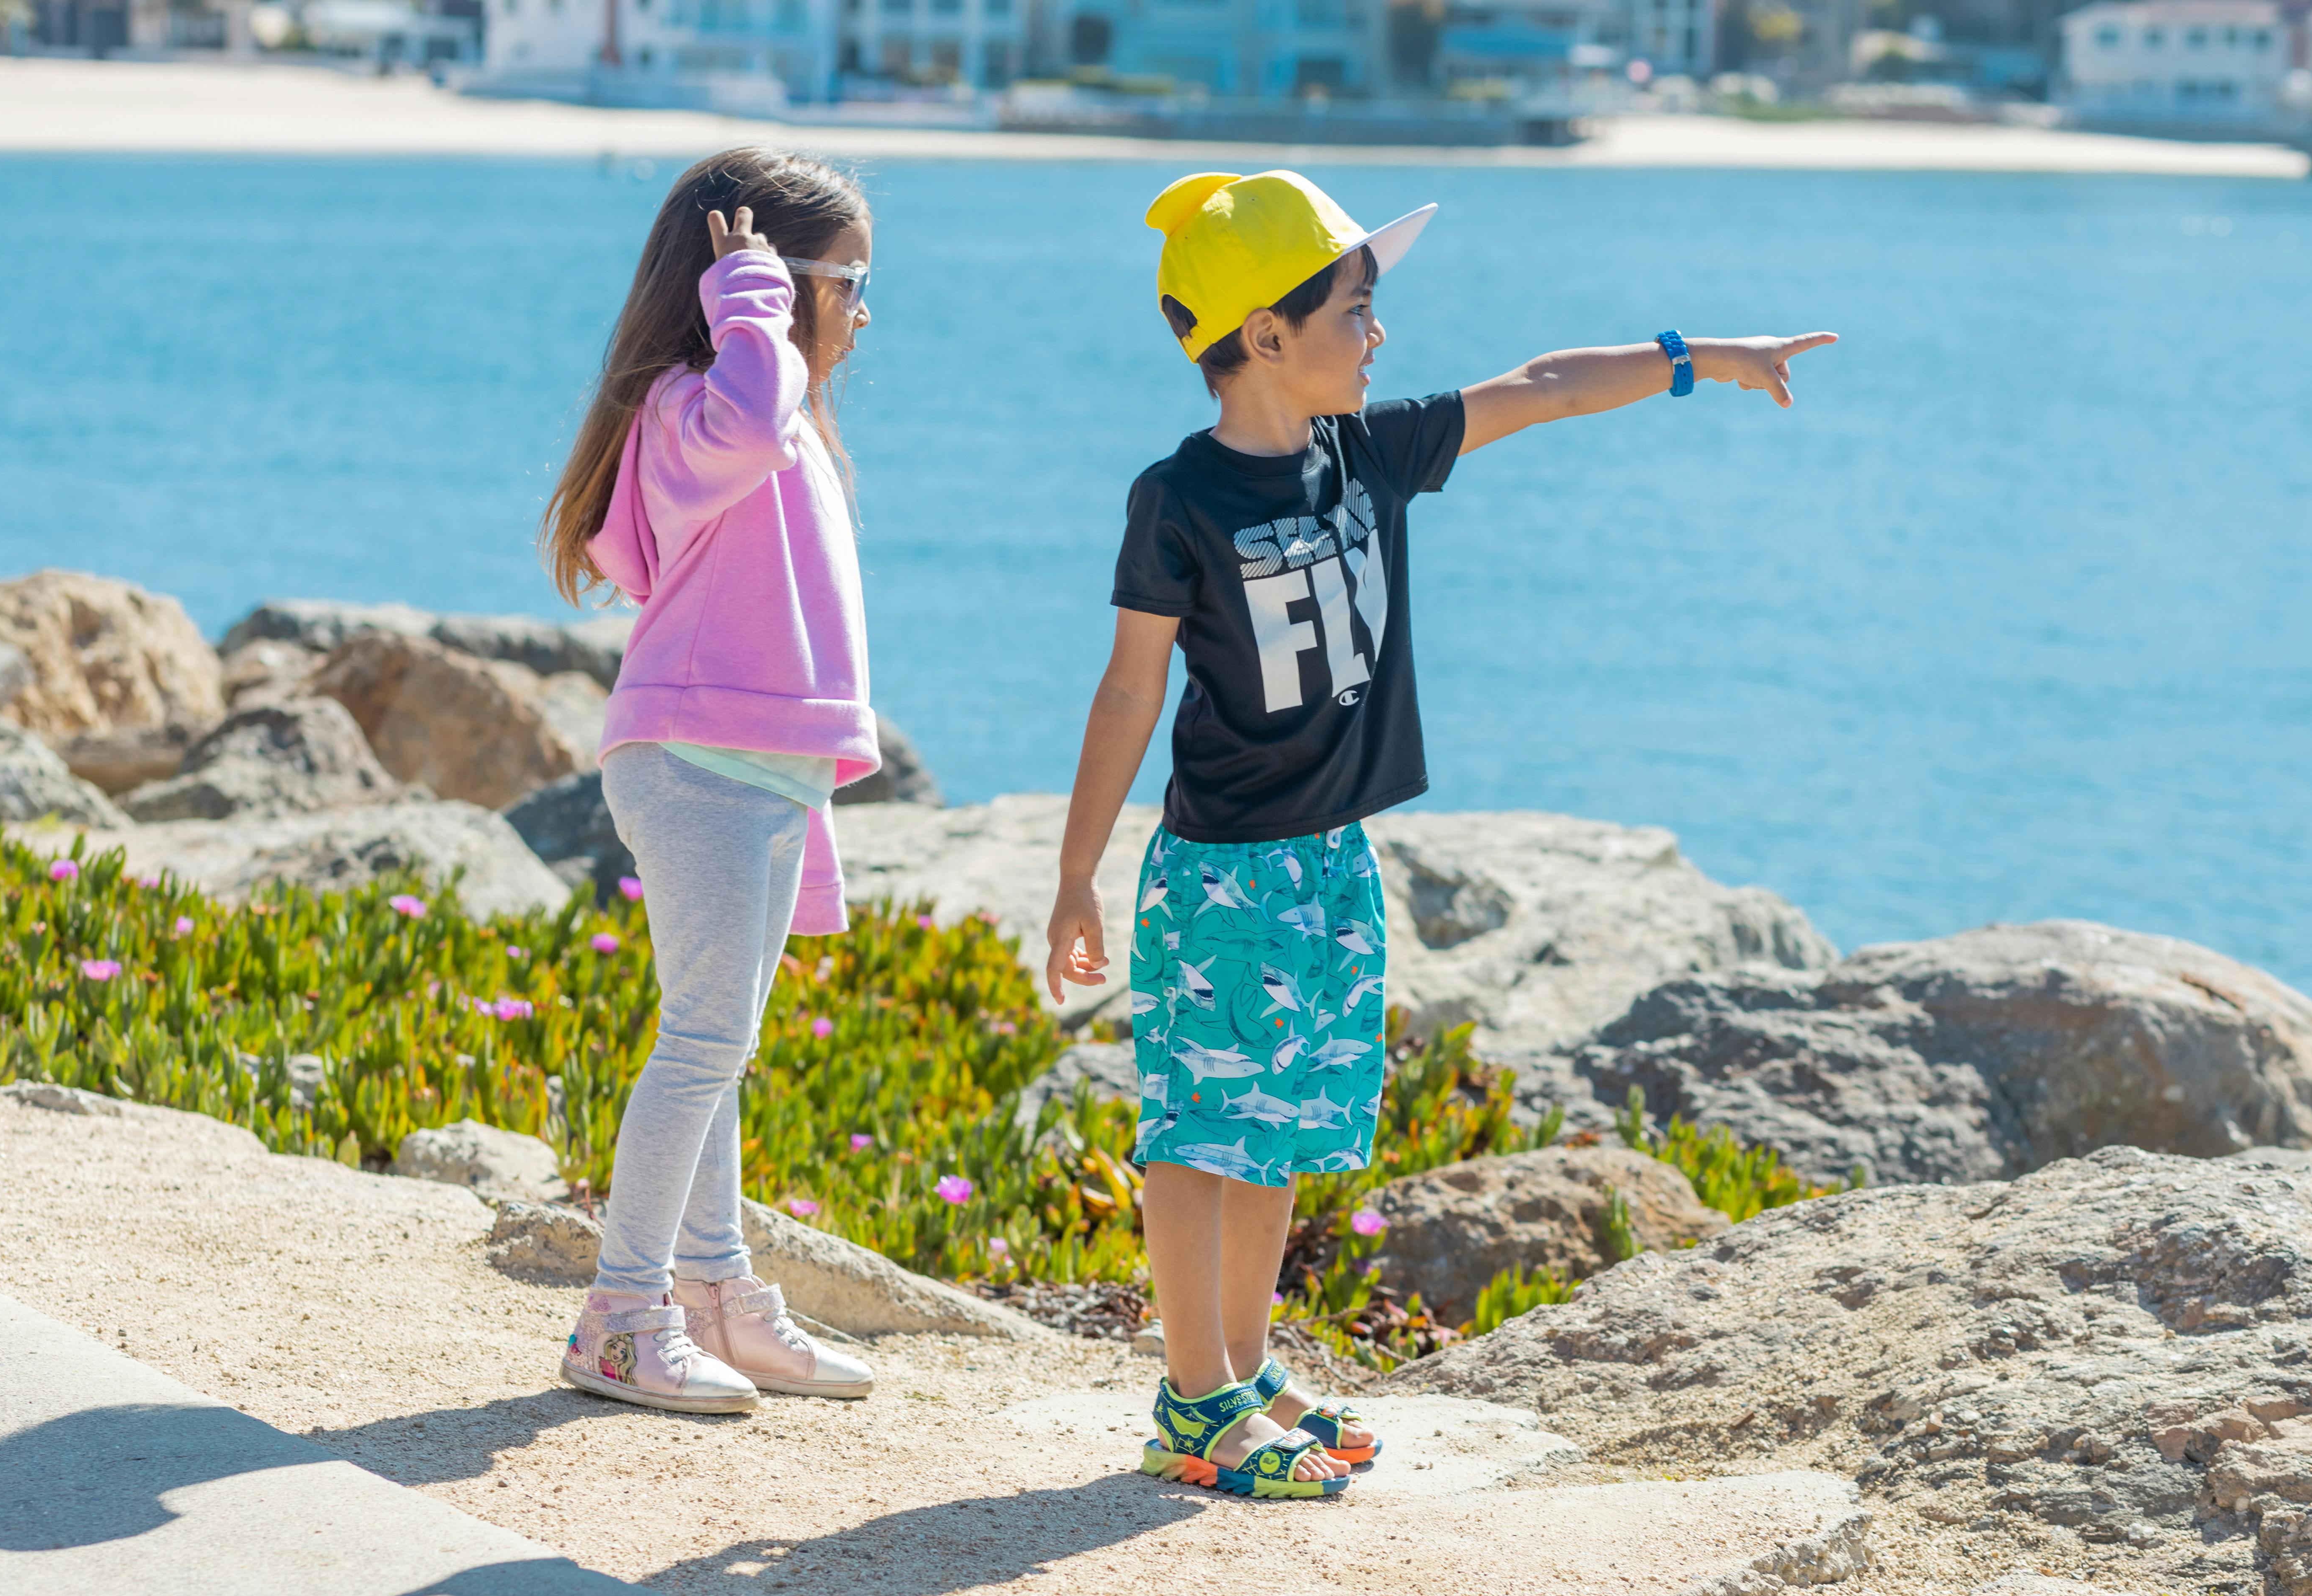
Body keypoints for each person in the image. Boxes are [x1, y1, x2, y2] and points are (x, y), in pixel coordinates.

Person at [1044, 170, 1837, 1497]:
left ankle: (1241, 1367)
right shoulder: (1178, 499)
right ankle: (1192, 1400)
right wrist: (1076, 874)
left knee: (1285, 1131)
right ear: (1263, 337)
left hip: (1329, 858)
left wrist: (1699, 358)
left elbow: (1542, 386)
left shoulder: (1368, 452)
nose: (1379, 333)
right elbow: (1129, 686)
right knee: (1200, 1134)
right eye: (1357, 309)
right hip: (1226, 873)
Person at [535, 147, 883, 1414]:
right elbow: (744, 417)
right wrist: (754, 300)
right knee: (703, 1041)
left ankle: (717, 1296)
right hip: (694, 763)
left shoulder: (778, 420)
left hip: (762, 771)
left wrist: (769, 323)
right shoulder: (701, 409)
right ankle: (623, 1316)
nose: (861, 309)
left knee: (718, 1041)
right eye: (845, 280)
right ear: (761, 282)